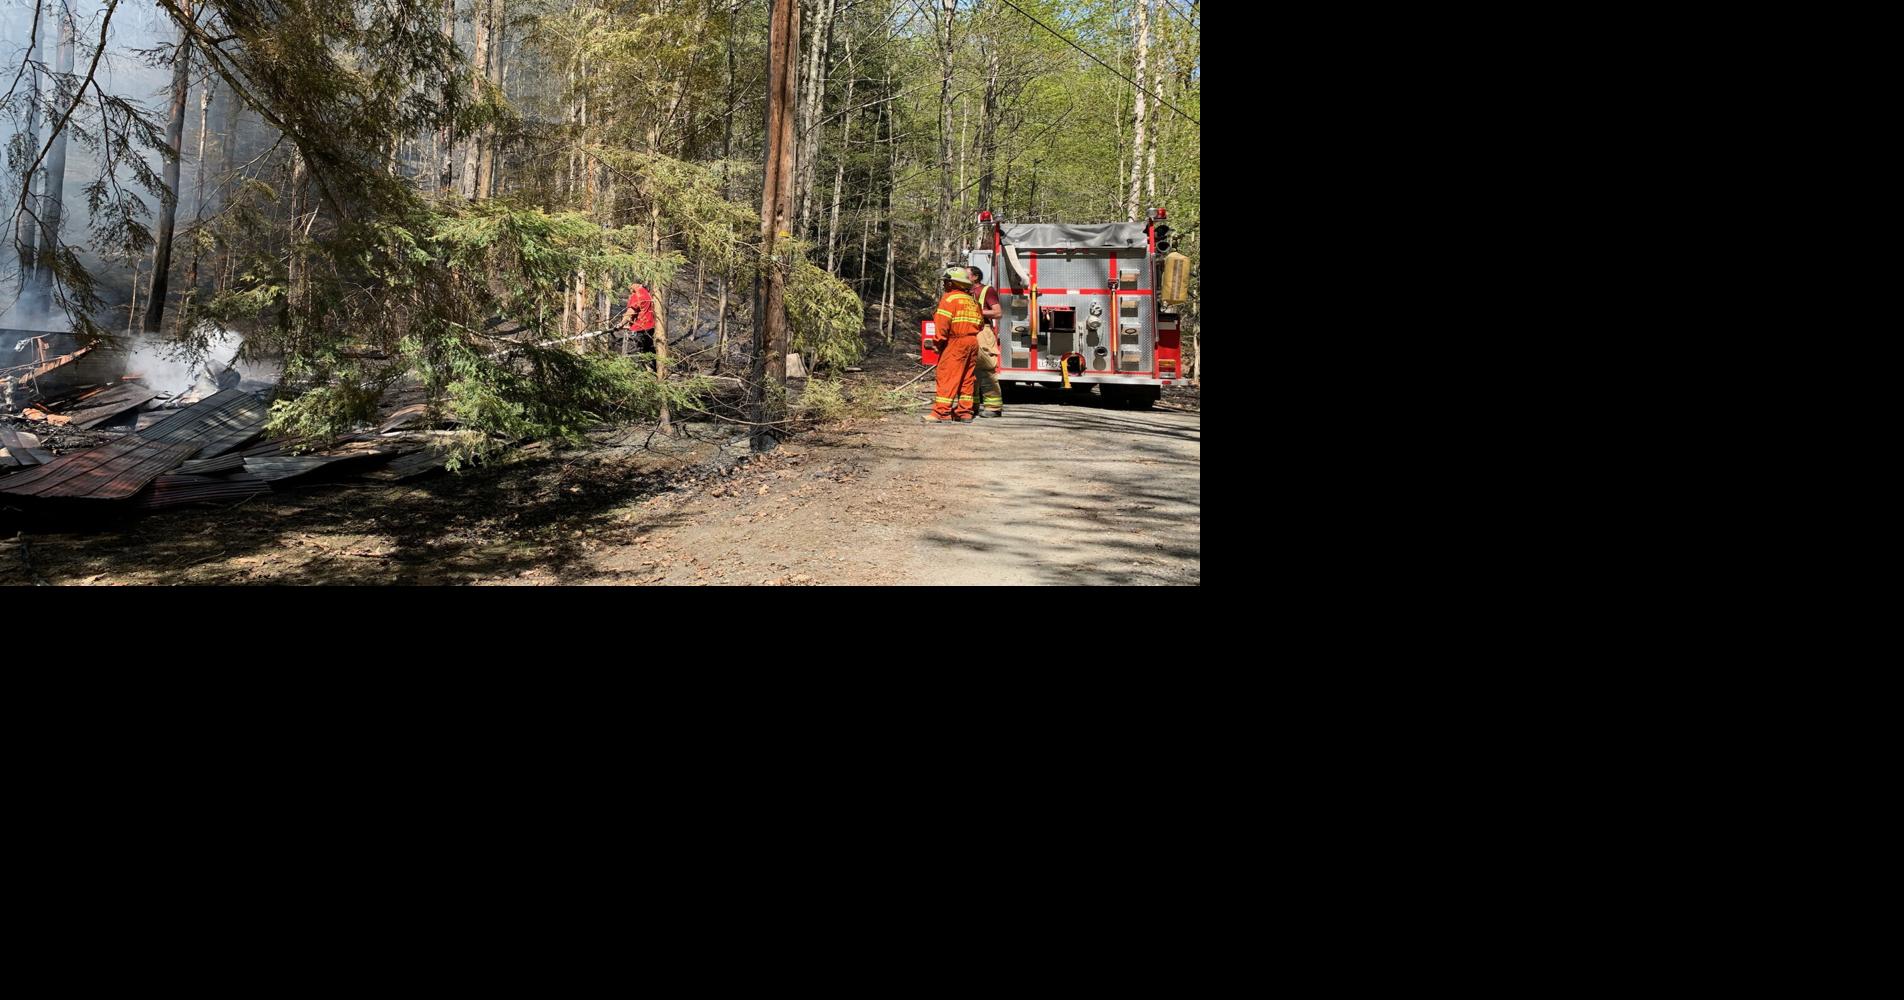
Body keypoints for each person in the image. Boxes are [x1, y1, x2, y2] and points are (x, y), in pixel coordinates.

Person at [927, 267, 983, 422]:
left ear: (952, 283)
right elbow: (980, 324)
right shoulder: (972, 301)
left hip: (956, 342)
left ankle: (941, 413)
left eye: (946, 281)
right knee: (967, 377)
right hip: (972, 342)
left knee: (947, 375)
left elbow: (942, 325)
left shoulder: (949, 299)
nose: (944, 284)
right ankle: (964, 412)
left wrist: (938, 343)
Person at [969, 263, 1005, 417]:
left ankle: (993, 408)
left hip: (983, 331)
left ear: (976, 276)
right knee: (971, 370)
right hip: (968, 332)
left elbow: (997, 313)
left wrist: (978, 311)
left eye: (967, 275)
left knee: (985, 369)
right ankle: (972, 405)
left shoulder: (986, 290)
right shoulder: (965, 291)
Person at [622, 280, 656, 354]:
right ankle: (651, 364)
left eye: (631, 285)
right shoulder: (646, 292)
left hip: (639, 327)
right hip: (650, 326)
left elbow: (630, 312)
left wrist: (621, 324)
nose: (630, 287)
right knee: (648, 349)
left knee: (638, 351)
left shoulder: (637, 294)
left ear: (636, 284)